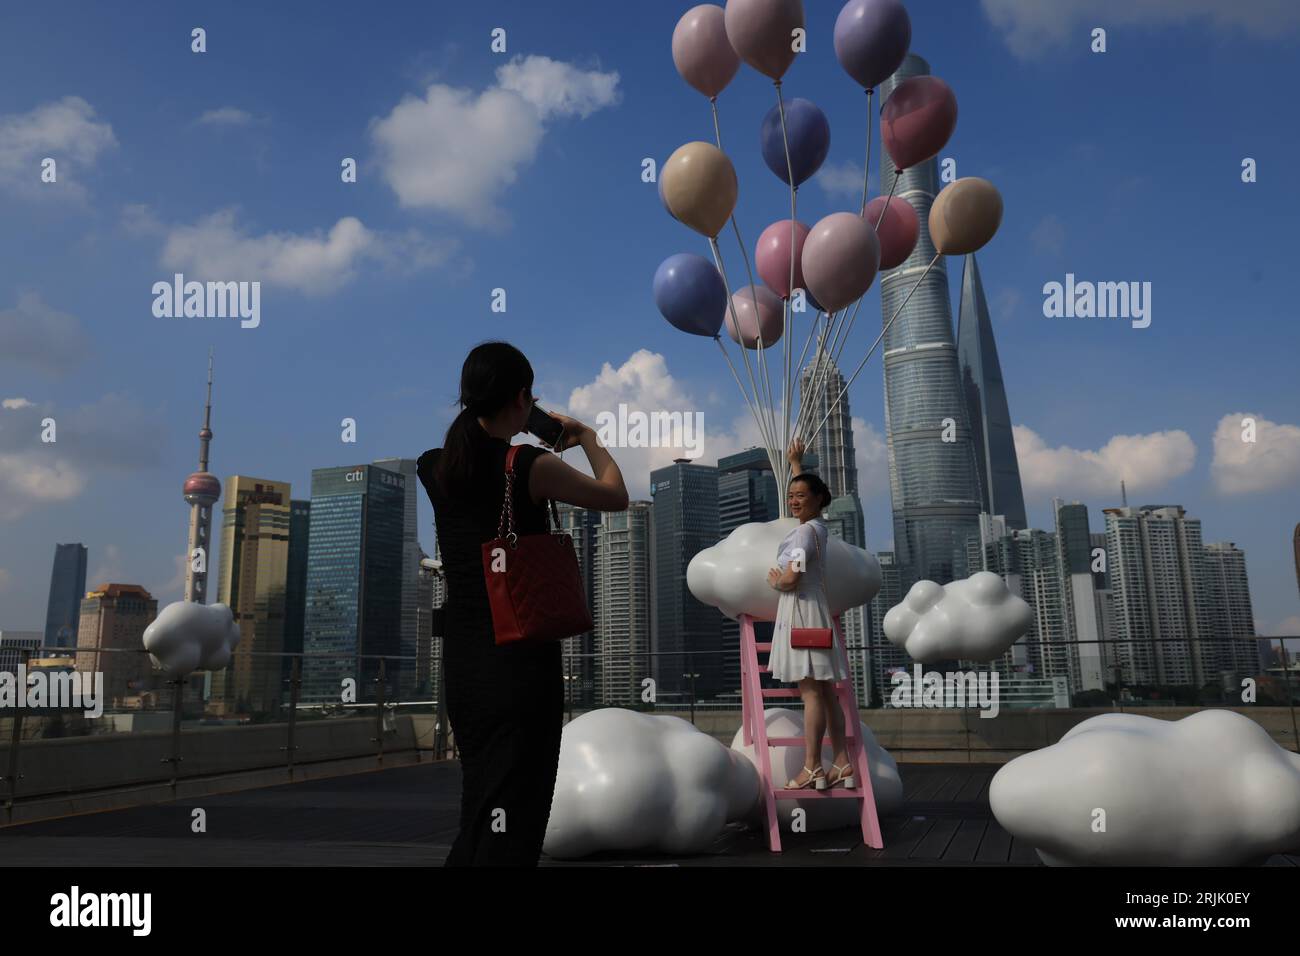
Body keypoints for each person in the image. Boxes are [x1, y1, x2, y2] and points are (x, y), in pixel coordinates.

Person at [416, 341, 628, 866]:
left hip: (465, 662)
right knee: (520, 807)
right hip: (520, 658)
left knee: (482, 799)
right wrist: (587, 439)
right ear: (522, 397)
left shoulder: (434, 466)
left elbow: (469, 459)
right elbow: (615, 494)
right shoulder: (530, 465)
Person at [765, 437, 854, 791]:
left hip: (800, 610)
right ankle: (843, 762)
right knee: (827, 692)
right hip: (814, 609)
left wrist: (777, 582)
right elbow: (807, 493)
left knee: (812, 693)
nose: (793, 500)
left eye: (800, 496)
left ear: (818, 499)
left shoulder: (803, 533)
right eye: (791, 496)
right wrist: (796, 465)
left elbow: (792, 577)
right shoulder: (818, 527)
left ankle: (813, 766)